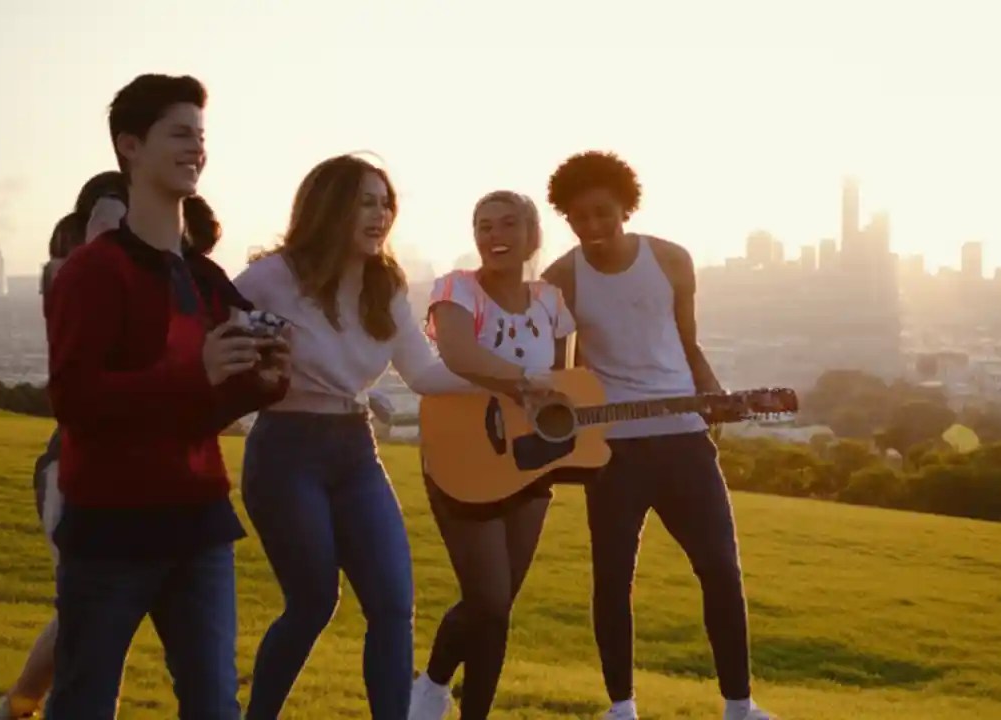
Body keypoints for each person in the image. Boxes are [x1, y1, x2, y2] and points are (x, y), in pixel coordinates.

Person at [233, 154, 526, 719]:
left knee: (394, 605)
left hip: (353, 448)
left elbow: (423, 373)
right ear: (328, 207)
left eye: (385, 202)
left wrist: (510, 382)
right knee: (314, 601)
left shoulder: (383, 284)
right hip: (286, 450)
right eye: (365, 201)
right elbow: (209, 333)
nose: (380, 213)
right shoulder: (273, 277)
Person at [41, 73, 290, 719]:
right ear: (130, 146)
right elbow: (74, 399)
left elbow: (206, 405)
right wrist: (197, 374)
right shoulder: (96, 272)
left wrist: (262, 380)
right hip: (109, 532)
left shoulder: (206, 276)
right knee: (85, 702)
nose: (196, 149)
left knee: (214, 705)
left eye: (201, 136)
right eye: (179, 133)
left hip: (200, 524)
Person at [540, 151, 776, 720]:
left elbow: (687, 345)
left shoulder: (671, 260)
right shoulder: (561, 278)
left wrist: (714, 395)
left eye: (602, 214)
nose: (592, 229)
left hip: (684, 439)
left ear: (626, 205)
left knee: (720, 568)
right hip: (613, 450)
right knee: (613, 578)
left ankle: (739, 708)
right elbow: (560, 377)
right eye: (578, 219)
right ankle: (621, 709)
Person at [407, 191, 574, 720]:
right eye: (483, 226)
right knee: (488, 602)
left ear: (531, 235)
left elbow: (566, 384)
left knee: (497, 611)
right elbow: (459, 354)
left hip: (526, 460)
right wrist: (524, 381)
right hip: (461, 454)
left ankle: (465, 708)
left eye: (508, 224)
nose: (494, 235)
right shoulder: (456, 289)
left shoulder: (551, 299)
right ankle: (432, 683)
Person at [0, 169, 128, 720]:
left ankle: (19, 706)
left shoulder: (160, 272)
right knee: (92, 611)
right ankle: (22, 706)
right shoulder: (68, 276)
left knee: (90, 611)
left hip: (139, 474)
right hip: (70, 471)